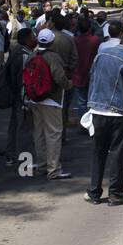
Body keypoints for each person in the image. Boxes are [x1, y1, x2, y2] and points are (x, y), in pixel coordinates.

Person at [84, 21, 123, 206]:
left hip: (97, 109)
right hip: (119, 113)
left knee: (98, 152)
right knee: (118, 153)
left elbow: (92, 77)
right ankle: (115, 193)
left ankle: (94, 192)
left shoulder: (101, 55)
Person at [27, 28, 72, 180]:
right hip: (52, 99)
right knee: (53, 134)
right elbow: (59, 77)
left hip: (35, 99)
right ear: (52, 42)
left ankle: (41, 165)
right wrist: (68, 84)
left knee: (39, 134)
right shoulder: (54, 57)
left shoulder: (32, 55)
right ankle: (53, 169)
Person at [3, 27, 35, 166]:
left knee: (15, 126)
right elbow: (24, 80)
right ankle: (25, 162)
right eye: (33, 36)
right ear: (27, 39)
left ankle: (11, 155)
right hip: (22, 98)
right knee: (24, 129)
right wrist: (26, 100)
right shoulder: (24, 55)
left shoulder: (15, 51)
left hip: (16, 95)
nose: (35, 38)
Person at [71, 13, 101, 121]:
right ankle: (92, 123)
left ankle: (84, 123)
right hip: (93, 75)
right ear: (89, 28)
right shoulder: (96, 40)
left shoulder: (74, 40)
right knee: (92, 101)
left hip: (78, 75)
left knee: (81, 102)